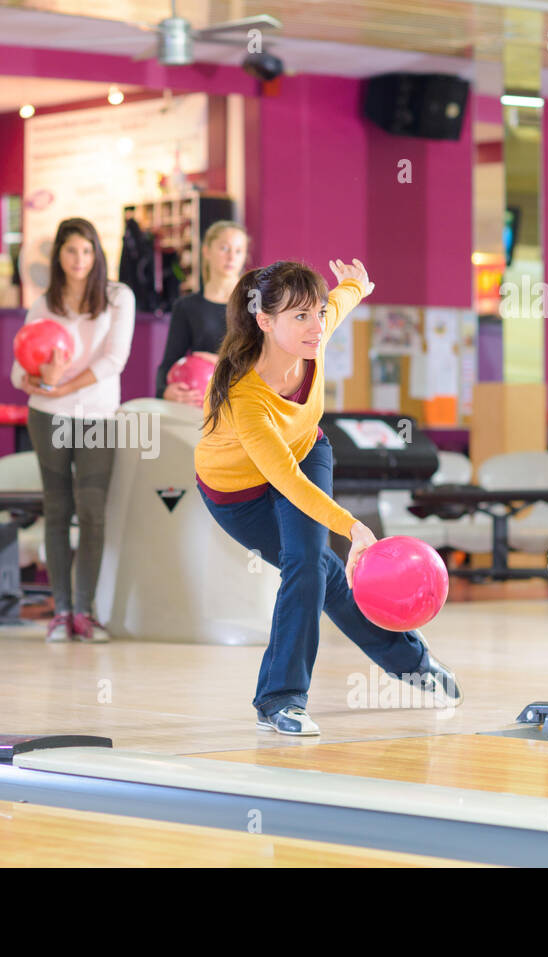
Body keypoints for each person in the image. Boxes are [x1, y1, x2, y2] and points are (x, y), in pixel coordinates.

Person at [194, 258, 462, 735]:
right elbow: (285, 483)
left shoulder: (312, 338)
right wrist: (355, 528)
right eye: (300, 316)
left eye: (316, 312)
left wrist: (355, 284)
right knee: (317, 570)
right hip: (238, 493)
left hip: (306, 451)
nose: (316, 325)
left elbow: (341, 302)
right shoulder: (243, 395)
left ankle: (298, 693)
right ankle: (284, 700)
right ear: (265, 321)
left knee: (309, 565)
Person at [12, 218, 136, 642]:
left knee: (93, 513)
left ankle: (85, 612)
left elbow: (114, 361)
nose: (79, 260)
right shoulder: (45, 303)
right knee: (57, 511)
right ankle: (61, 612)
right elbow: (18, 367)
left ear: (97, 254)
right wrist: (33, 380)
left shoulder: (119, 297)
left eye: (87, 251)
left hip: (97, 416)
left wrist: (64, 382)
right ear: (58, 256)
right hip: (47, 414)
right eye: (70, 251)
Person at [156, 220, 248, 404]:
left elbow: (267, 363)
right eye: (224, 248)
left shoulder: (256, 304)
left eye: (238, 251)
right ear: (206, 251)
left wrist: (221, 363)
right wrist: (165, 391)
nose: (231, 257)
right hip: (200, 406)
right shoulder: (186, 306)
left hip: (245, 403)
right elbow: (169, 362)